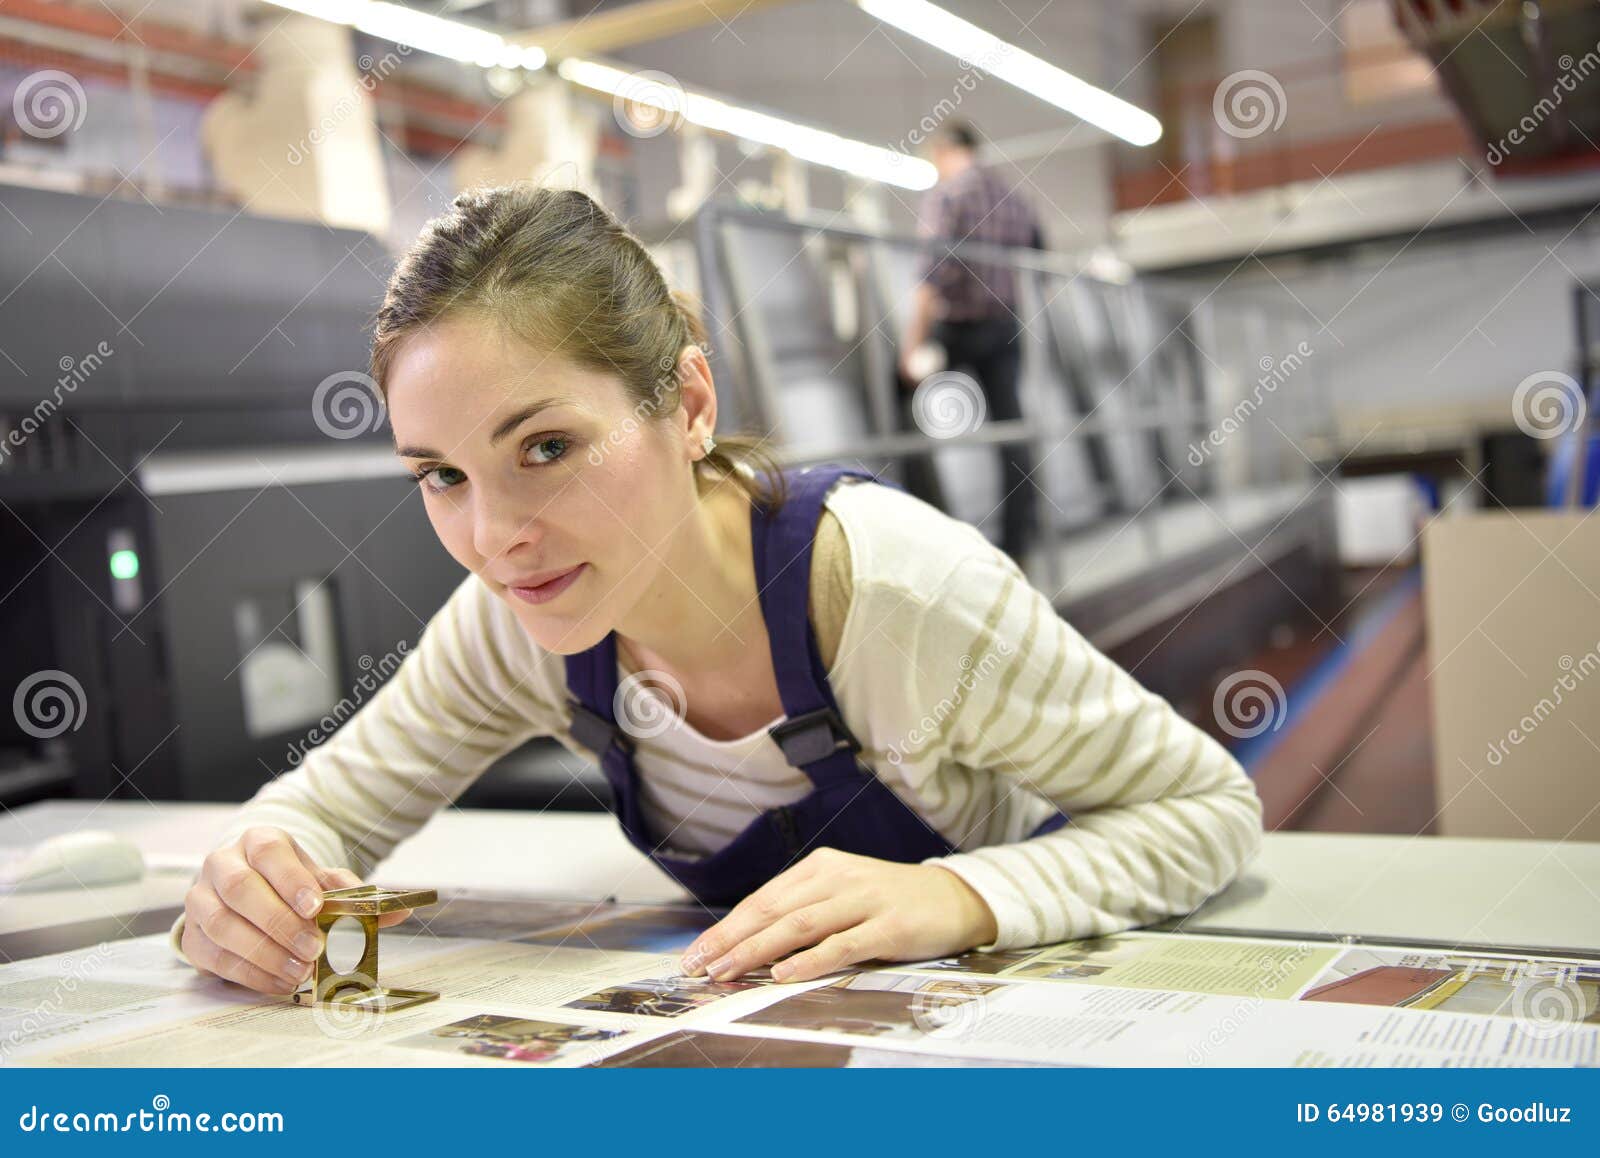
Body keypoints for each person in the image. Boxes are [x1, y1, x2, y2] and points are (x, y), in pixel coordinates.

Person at [169, 184, 1262, 998]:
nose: (495, 538)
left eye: (546, 446)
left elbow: (1207, 810)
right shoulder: (512, 632)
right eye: (442, 476)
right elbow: (321, 814)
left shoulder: (897, 595)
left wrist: (958, 897)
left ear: (688, 403)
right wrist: (253, 886)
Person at [900, 119, 1044, 565]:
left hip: (957, 330)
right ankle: (1018, 544)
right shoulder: (1013, 198)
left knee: (904, 396)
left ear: (945, 150)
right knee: (1011, 431)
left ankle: (926, 527)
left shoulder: (948, 195)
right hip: (1004, 327)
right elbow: (1041, 260)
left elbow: (931, 276)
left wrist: (911, 348)